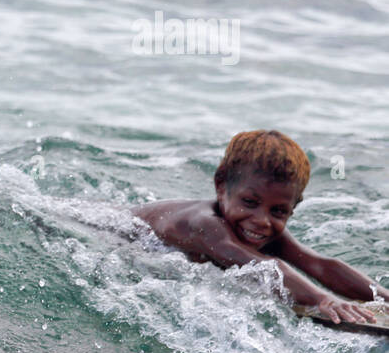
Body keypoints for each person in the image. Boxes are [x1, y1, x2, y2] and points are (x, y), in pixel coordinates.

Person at [133, 129, 388, 324]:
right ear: (221, 186)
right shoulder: (203, 223)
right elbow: (259, 264)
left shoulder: (263, 230)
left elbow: (319, 264)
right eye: (249, 202)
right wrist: (323, 299)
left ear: (293, 207)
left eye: (278, 211)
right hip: (120, 232)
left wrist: (384, 298)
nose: (262, 220)